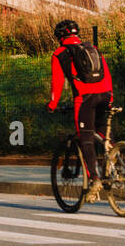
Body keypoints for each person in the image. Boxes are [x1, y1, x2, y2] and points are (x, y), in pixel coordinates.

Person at [47, 19, 113, 203]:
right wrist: (110, 97)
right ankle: (114, 156)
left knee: (86, 139)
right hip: (105, 95)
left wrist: (52, 104)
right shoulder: (92, 48)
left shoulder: (59, 53)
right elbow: (107, 73)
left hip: (85, 99)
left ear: (60, 37)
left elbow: (57, 82)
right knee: (103, 134)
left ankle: (94, 179)